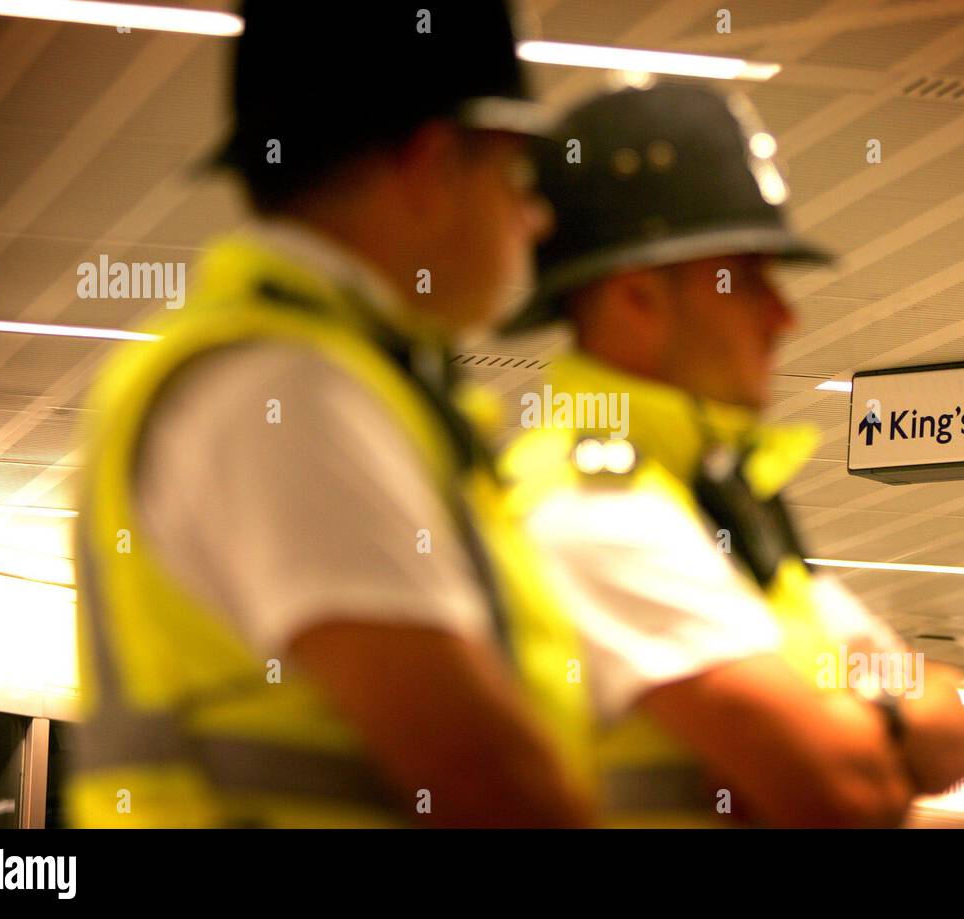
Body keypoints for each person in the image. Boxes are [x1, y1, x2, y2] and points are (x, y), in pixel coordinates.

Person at [68, 1, 594, 828]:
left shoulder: (313, 374)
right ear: (431, 167)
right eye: (516, 174)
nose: (537, 216)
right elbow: (477, 772)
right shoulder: (290, 392)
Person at [500, 84, 964, 827]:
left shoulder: (717, 496)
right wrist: (884, 714)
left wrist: (871, 709)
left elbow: (955, 741)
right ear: (636, 300)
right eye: (748, 277)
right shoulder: (595, 512)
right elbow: (852, 794)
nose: (785, 315)